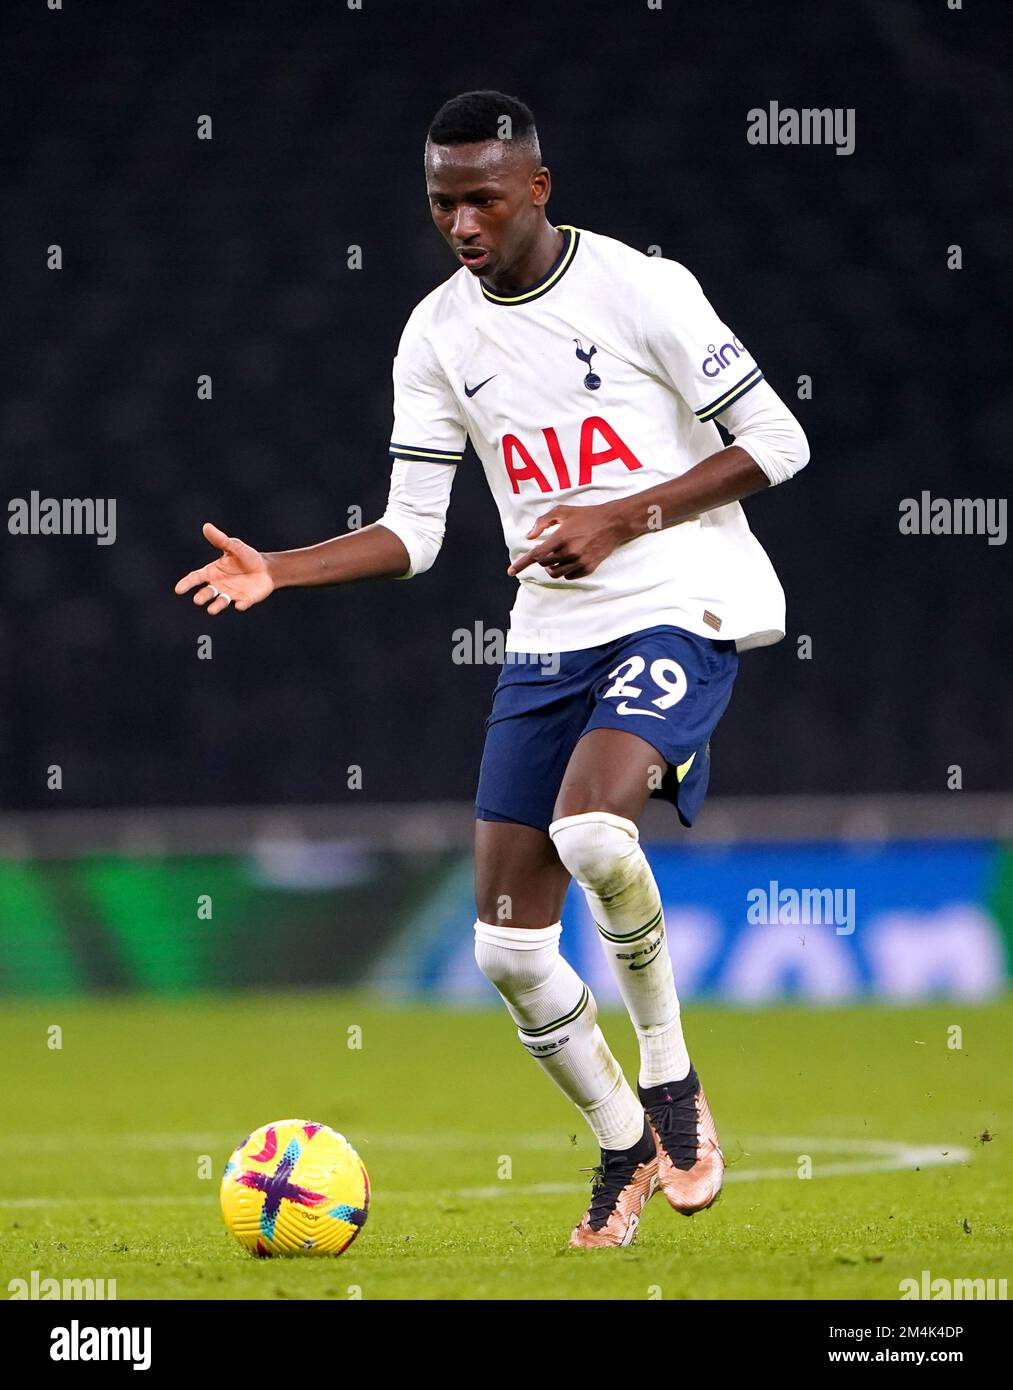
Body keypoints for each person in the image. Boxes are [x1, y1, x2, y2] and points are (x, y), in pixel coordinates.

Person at [175, 89, 809, 1248]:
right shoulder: (435, 334)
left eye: (480, 198)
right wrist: (281, 567)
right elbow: (411, 532)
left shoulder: (641, 291)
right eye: (439, 203)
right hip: (547, 635)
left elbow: (778, 440)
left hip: (680, 601)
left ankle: (671, 1085)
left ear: (535, 189)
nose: (460, 223)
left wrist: (625, 515)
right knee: (506, 951)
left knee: (590, 833)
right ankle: (622, 1140)